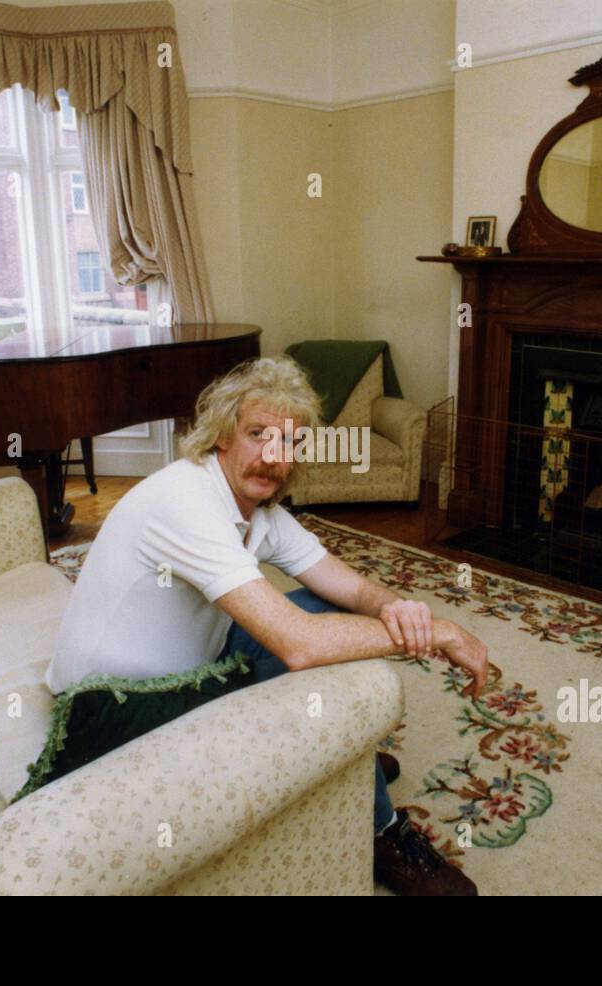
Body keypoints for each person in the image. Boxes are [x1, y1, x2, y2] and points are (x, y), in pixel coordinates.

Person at [47, 356, 490, 895]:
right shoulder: (184, 500)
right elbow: (299, 646)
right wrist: (442, 631)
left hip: (181, 665)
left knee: (328, 612)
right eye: (258, 434)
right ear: (222, 437)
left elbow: (345, 586)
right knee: (309, 639)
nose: (271, 456)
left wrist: (399, 607)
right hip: (113, 710)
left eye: (288, 442)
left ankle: (351, 758)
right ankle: (381, 833)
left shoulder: (257, 508)